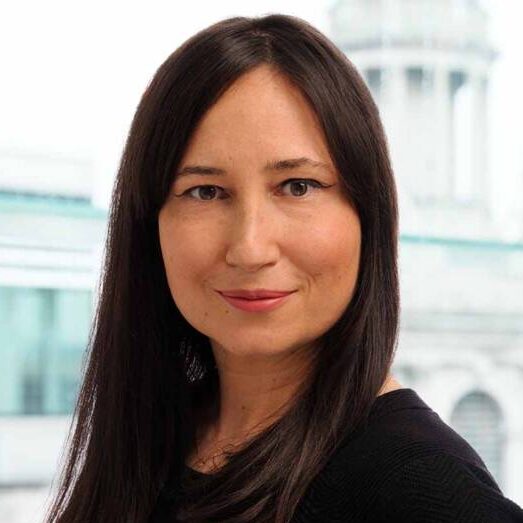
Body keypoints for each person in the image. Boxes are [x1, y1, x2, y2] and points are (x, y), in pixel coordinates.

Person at [44, 13, 523, 523]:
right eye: (205, 191)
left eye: (298, 186)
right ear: (149, 222)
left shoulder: (427, 492)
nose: (250, 248)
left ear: (368, 213)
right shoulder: (149, 441)